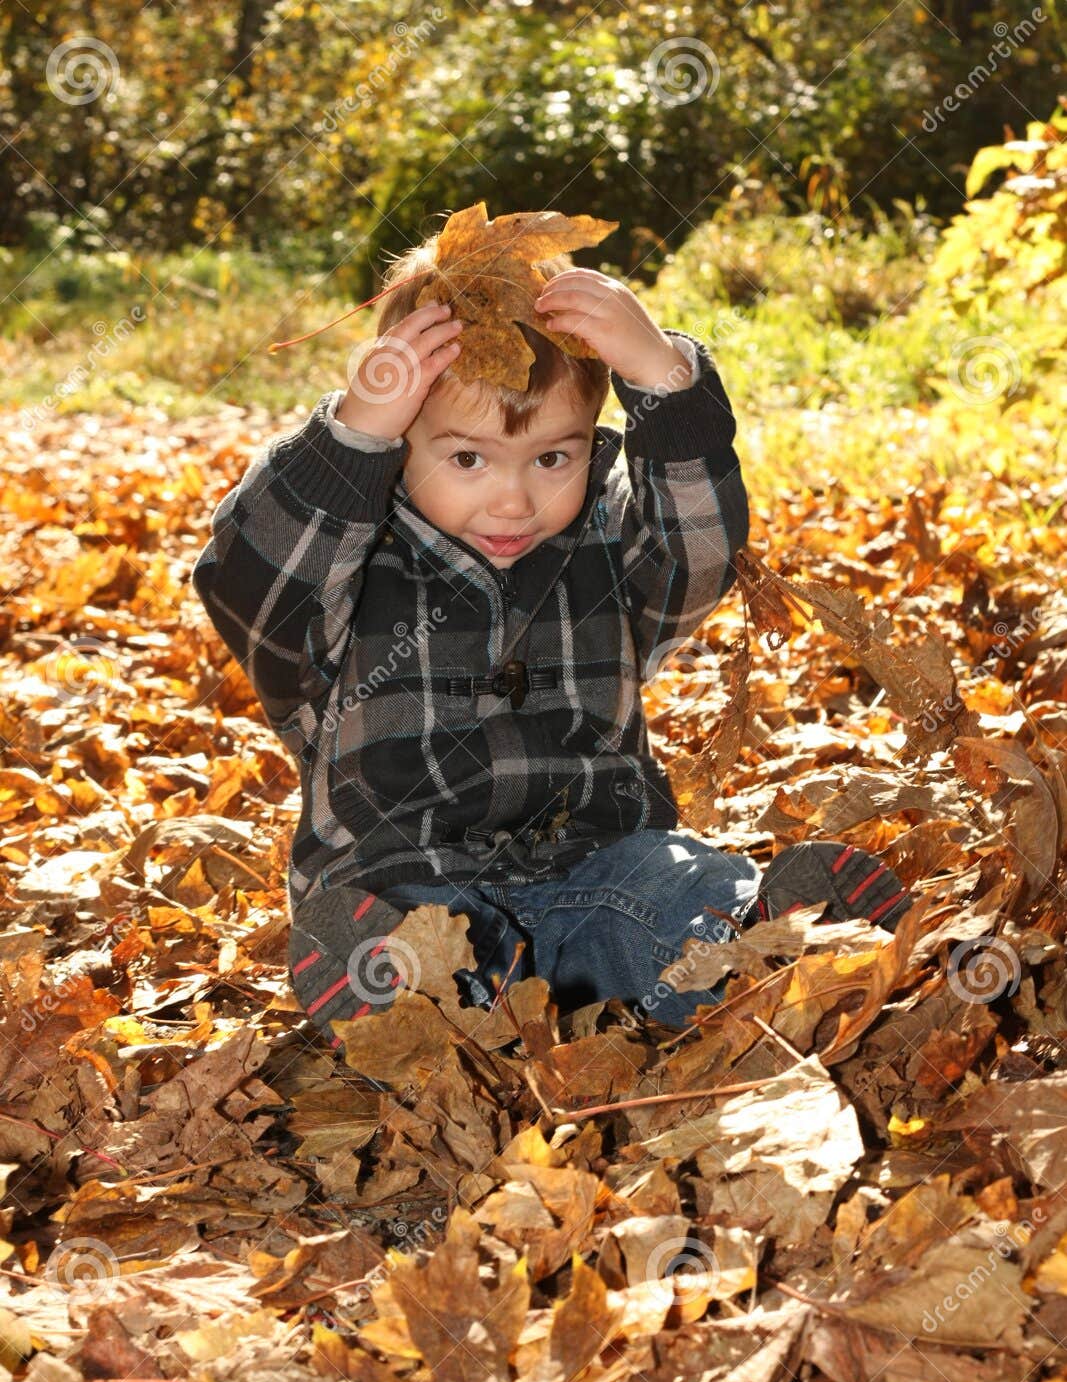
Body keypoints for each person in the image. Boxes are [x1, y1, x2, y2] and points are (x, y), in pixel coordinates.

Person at [192, 233, 911, 1048]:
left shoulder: (606, 548)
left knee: (680, 890)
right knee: (424, 941)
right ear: (400, 447)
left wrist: (665, 383)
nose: (512, 499)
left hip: (599, 866)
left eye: (552, 458)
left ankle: (772, 941)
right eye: (467, 457)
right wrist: (347, 441)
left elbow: (698, 554)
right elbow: (253, 588)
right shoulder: (351, 567)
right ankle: (409, 1006)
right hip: (411, 875)